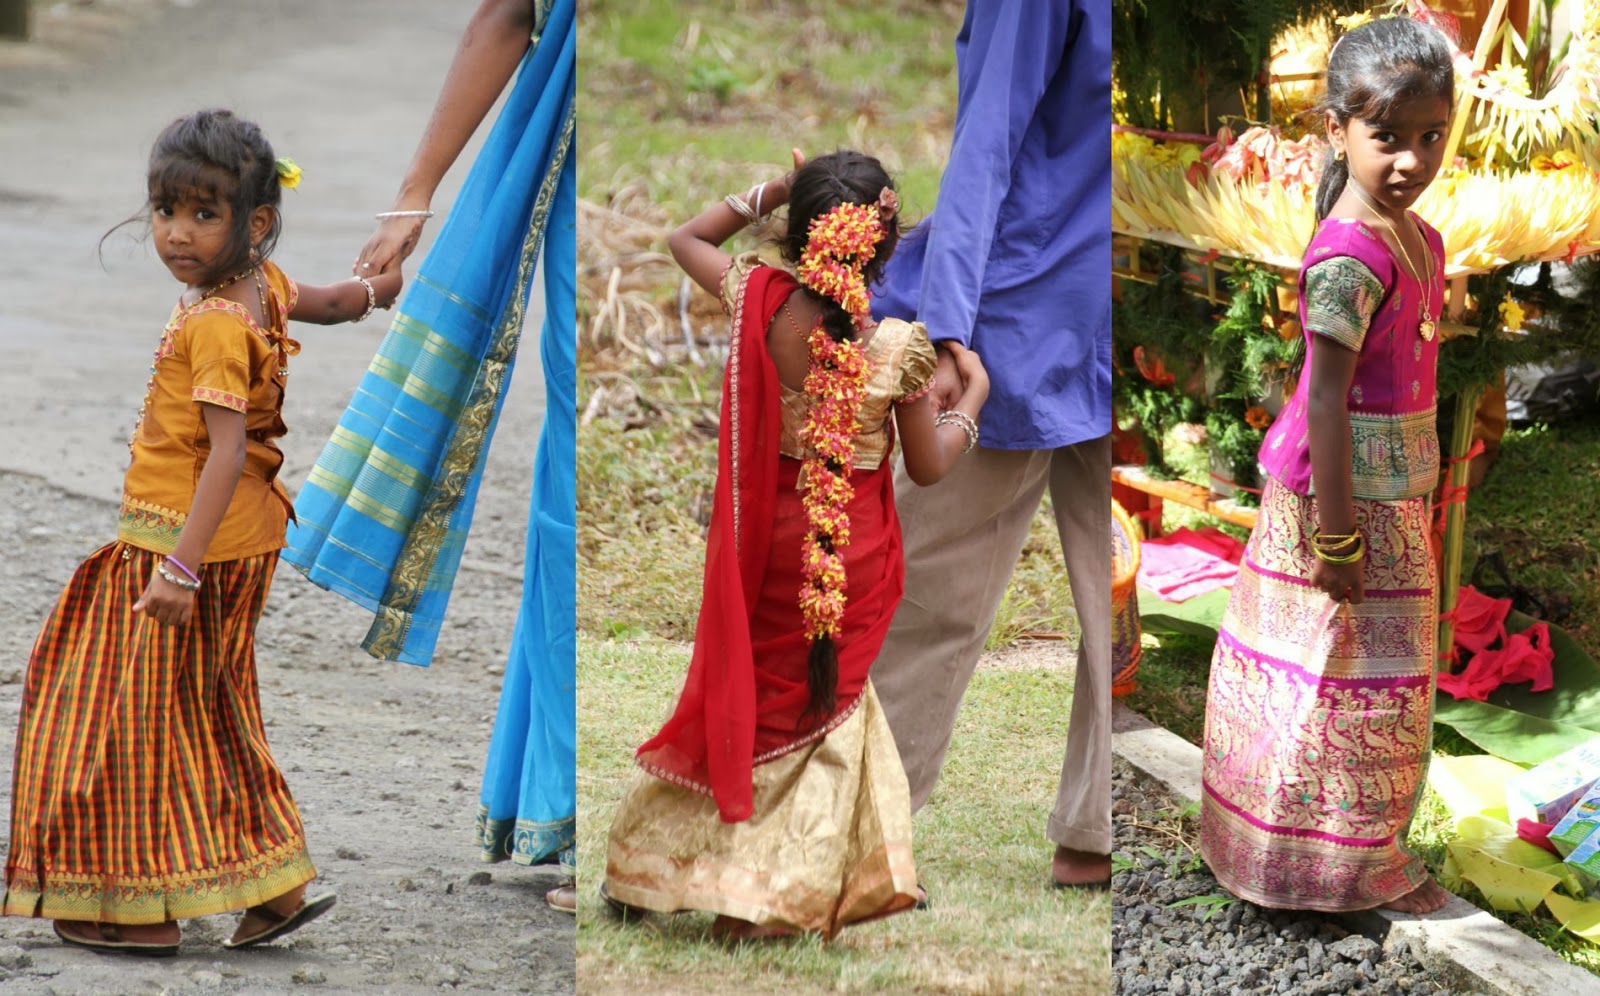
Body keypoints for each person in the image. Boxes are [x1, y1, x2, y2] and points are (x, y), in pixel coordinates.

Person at [3, 108, 401, 956]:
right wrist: (380, 288)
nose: (177, 235)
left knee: (121, 717)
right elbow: (328, 304)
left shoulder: (217, 321)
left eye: (203, 214)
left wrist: (178, 571)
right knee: (209, 712)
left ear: (254, 222)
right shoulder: (263, 286)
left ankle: (139, 912)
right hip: (236, 542)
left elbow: (223, 455)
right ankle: (275, 890)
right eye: (164, 210)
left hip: (181, 548)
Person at [602, 150, 991, 941]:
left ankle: (657, 865)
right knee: (822, 714)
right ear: (883, 246)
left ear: (796, 235)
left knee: (754, 700)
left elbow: (686, 238)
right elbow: (928, 465)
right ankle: (765, 902)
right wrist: (972, 399)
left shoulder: (760, 299)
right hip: (851, 552)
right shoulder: (900, 348)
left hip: (768, 546)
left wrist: (767, 191)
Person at [283, 0, 578, 911]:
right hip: (579, 139)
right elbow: (510, 13)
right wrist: (415, 194)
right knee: (574, 478)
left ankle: (567, 800)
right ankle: (567, 804)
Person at [1199, 16, 1455, 916]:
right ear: (1336, 130)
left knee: (1363, 681)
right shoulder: (1349, 256)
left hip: (1390, 495)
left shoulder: (1416, 236)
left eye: (1431, 137)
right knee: (1333, 684)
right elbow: (1325, 406)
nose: (1411, 160)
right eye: (1388, 137)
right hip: (1340, 505)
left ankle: (1330, 861)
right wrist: (1338, 536)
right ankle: (1325, 868)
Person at [866, 0, 1114, 890]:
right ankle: (859, 818)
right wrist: (948, 325)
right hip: (1032, 318)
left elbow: (987, 139)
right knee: (935, 578)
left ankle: (1096, 829)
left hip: (1045, 306)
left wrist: (950, 321)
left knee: (1105, 594)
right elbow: (992, 141)